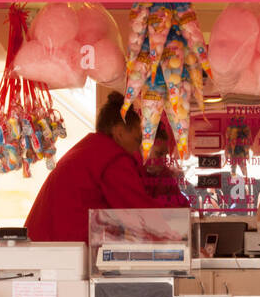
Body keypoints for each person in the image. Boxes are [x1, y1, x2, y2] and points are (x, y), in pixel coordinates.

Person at [24, 91, 190, 242]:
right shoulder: (112, 157)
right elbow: (138, 210)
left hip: (44, 245)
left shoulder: (90, 149)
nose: (137, 149)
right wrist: (179, 238)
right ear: (119, 132)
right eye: (136, 140)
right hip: (59, 252)